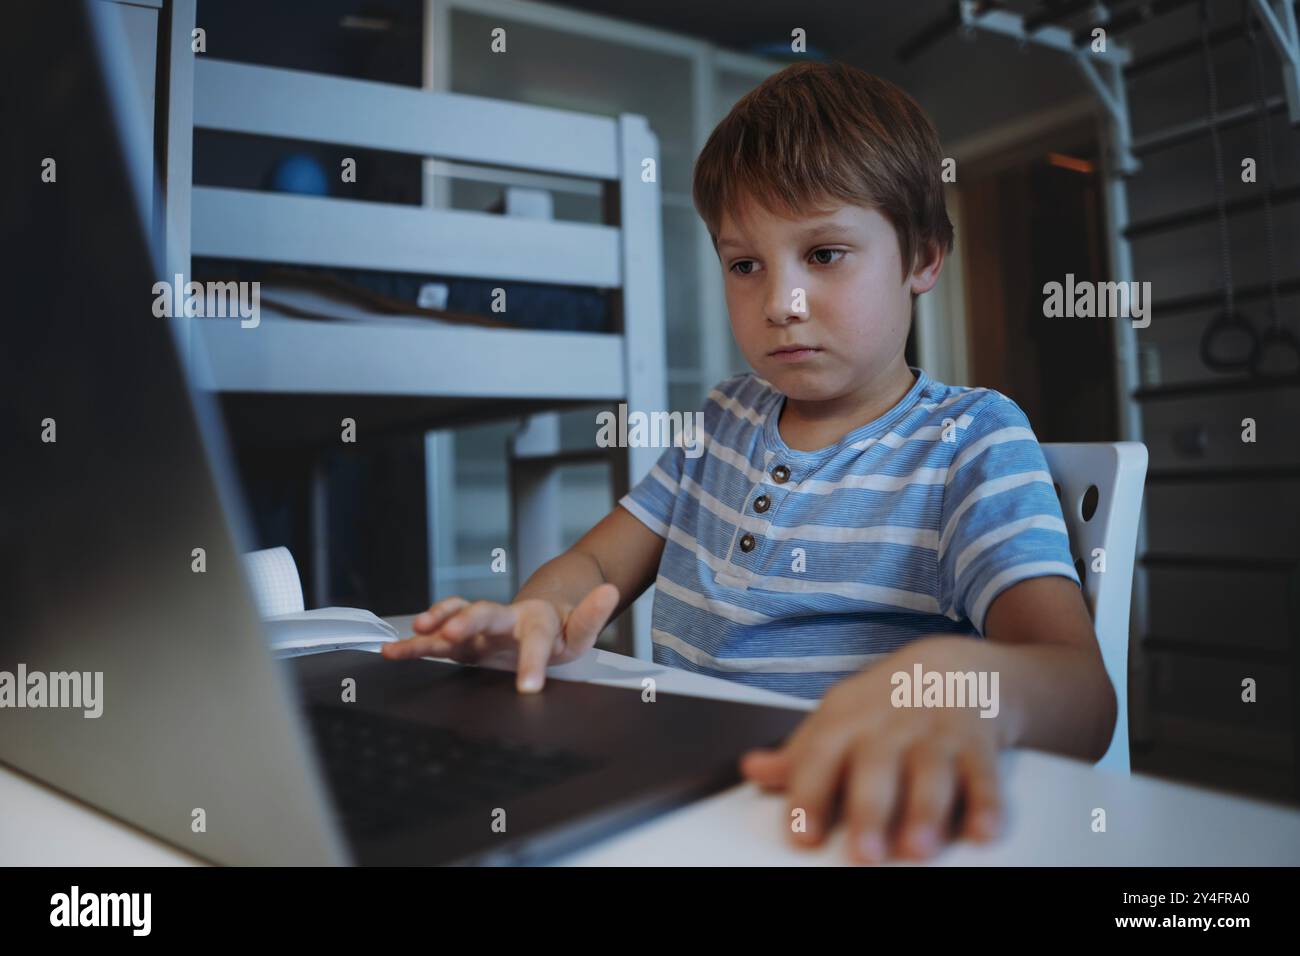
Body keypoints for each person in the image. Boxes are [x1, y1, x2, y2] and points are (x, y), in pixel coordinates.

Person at [383, 61, 1115, 864]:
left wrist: (969, 688)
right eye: (745, 264)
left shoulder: (971, 439)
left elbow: (1080, 693)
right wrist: (539, 615)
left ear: (923, 258)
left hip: (839, 819)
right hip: (678, 788)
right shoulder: (724, 418)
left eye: (826, 254)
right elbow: (596, 559)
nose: (779, 303)